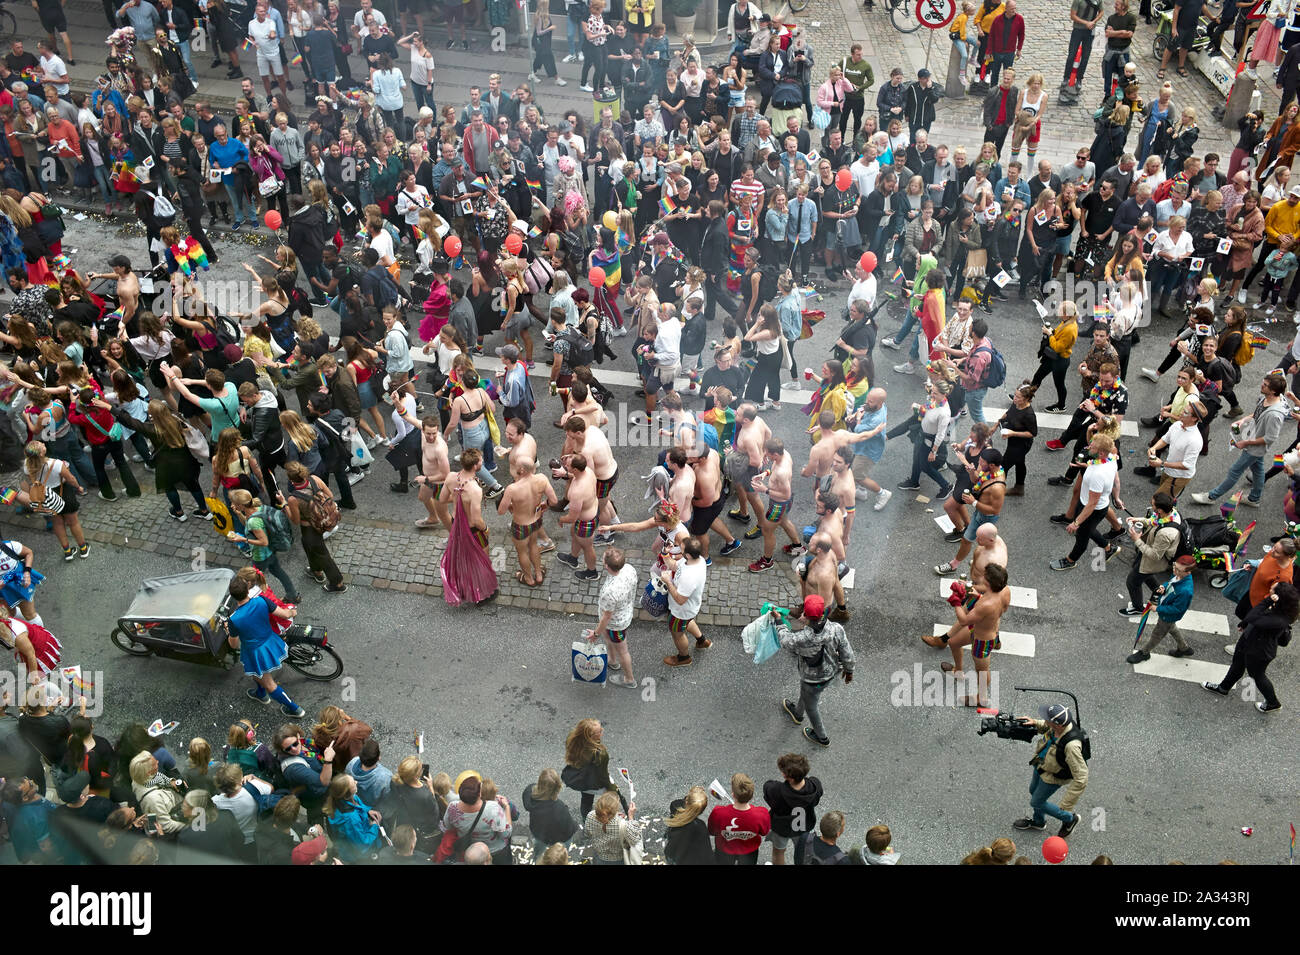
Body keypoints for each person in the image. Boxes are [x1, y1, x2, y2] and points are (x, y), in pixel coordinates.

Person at [1190, 373, 1289, 508]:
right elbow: (1257, 414)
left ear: (1273, 391)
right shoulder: (1265, 398)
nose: (1261, 385)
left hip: (1254, 448)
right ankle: (1254, 499)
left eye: (1265, 385)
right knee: (1258, 469)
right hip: (1253, 442)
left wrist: (1245, 443)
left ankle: (1212, 496)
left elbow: (1270, 438)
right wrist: (1242, 421)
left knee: (1234, 471)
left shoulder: (1275, 415)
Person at [775, 594, 855, 747]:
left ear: (807, 616)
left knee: (812, 707)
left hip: (813, 679)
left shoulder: (804, 637)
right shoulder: (836, 628)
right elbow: (847, 652)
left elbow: (785, 641)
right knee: (807, 695)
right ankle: (797, 713)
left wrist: (779, 621)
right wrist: (849, 670)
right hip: (831, 672)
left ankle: (821, 737)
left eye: (804, 612)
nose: (801, 614)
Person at [1203, 581, 1296, 713]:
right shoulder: (1278, 608)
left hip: (1259, 652)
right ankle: (1223, 688)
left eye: (1272, 590)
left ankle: (1273, 703)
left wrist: (1267, 601)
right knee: (1237, 665)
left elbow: (1253, 616)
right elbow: (1254, 618)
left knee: (1257, 676)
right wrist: (1245, 623)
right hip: (1248, 641)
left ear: (1277, 596)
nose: (1269, 589)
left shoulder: (1279, 619)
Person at [223, 573, 306, 718]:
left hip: (255, 652)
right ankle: (260, 694)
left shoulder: (234, 619)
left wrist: (228, 632)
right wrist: (293, 611)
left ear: (234, 596)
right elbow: (285, 615)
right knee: (256, 674)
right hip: (271, 641)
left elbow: (234, 644)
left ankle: (295, 709)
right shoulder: (261, 600)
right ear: (247, 590)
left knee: (269, 683)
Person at [1013, 701, 1088, 838]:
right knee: (1033, 791)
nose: (1045, 720)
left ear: (1058, 725)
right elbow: (1046, 726)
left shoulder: (1072, 746)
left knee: (1036, 801)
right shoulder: (1057, 727)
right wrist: (1035, 722)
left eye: (1047, 719)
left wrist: (1066, 804)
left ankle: (1070, 819)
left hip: (1053, 778)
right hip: (1040, 765)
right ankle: (1039, 822)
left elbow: (1082, 777)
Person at [1128, 554, 1198, 663]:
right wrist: (1163, 587)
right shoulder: (1179, 575)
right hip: (1166, 611)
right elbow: (1170, 583)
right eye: (1174, 566)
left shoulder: (1185, 591)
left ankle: (1144, 653)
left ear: (1188, 572)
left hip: (1167, 615)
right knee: (1171, 628)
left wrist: (1157, 609)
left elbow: (1177, 609)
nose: (1175, 571)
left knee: (1157, 634)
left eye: (1179, 570)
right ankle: (1184, 648)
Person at [588, 547, 639, 689]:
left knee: (623, 651)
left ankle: (629, 679)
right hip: (625, 614)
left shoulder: (609, 592)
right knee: (609, 639)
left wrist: (595, 634)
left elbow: (606, 618)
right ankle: (612, 660)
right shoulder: (629, 569)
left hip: (616, 625)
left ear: (606, 566)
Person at [762, 753, 823, 865]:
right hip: (805, 827)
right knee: (803, 855)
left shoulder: (776, 790)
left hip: (781, 828)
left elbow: (767, 787)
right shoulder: (815, 786)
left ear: (787, 776)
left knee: (778, 852)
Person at [707, 773, 771, 865]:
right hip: (749, 852)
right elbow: (764, 832)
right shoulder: (762, 814)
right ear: (751, 796)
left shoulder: (718, 813)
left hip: (724, 851)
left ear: (733, 794)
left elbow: (712, 831)